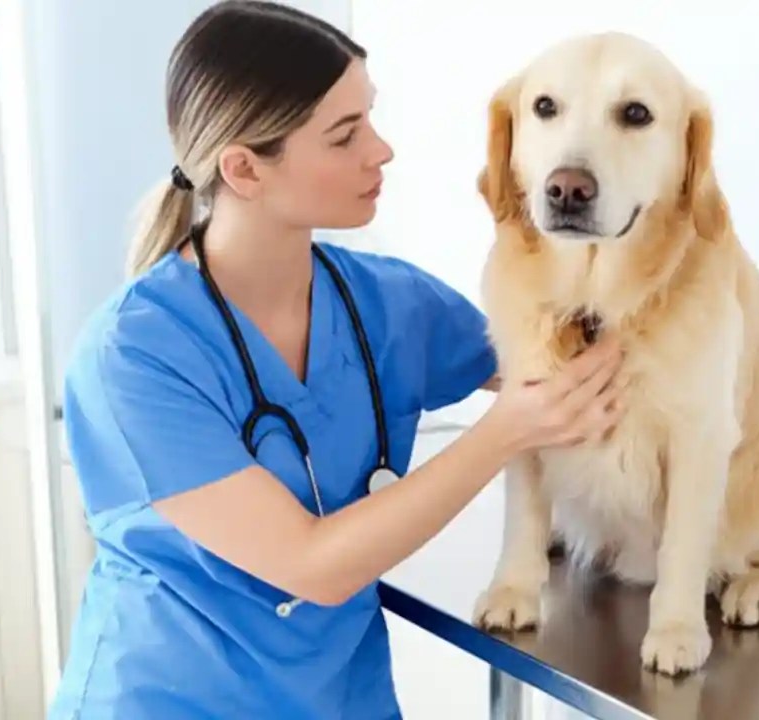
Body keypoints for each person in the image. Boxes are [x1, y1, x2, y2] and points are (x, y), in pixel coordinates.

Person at [48, 2, 625, 718]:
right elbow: (313, 567)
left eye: (370, 120)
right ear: (245, 169)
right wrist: (505, 431)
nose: (380, 151)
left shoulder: (387, 305)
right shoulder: (135, 356)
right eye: (345, 135)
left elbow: (565, 365)